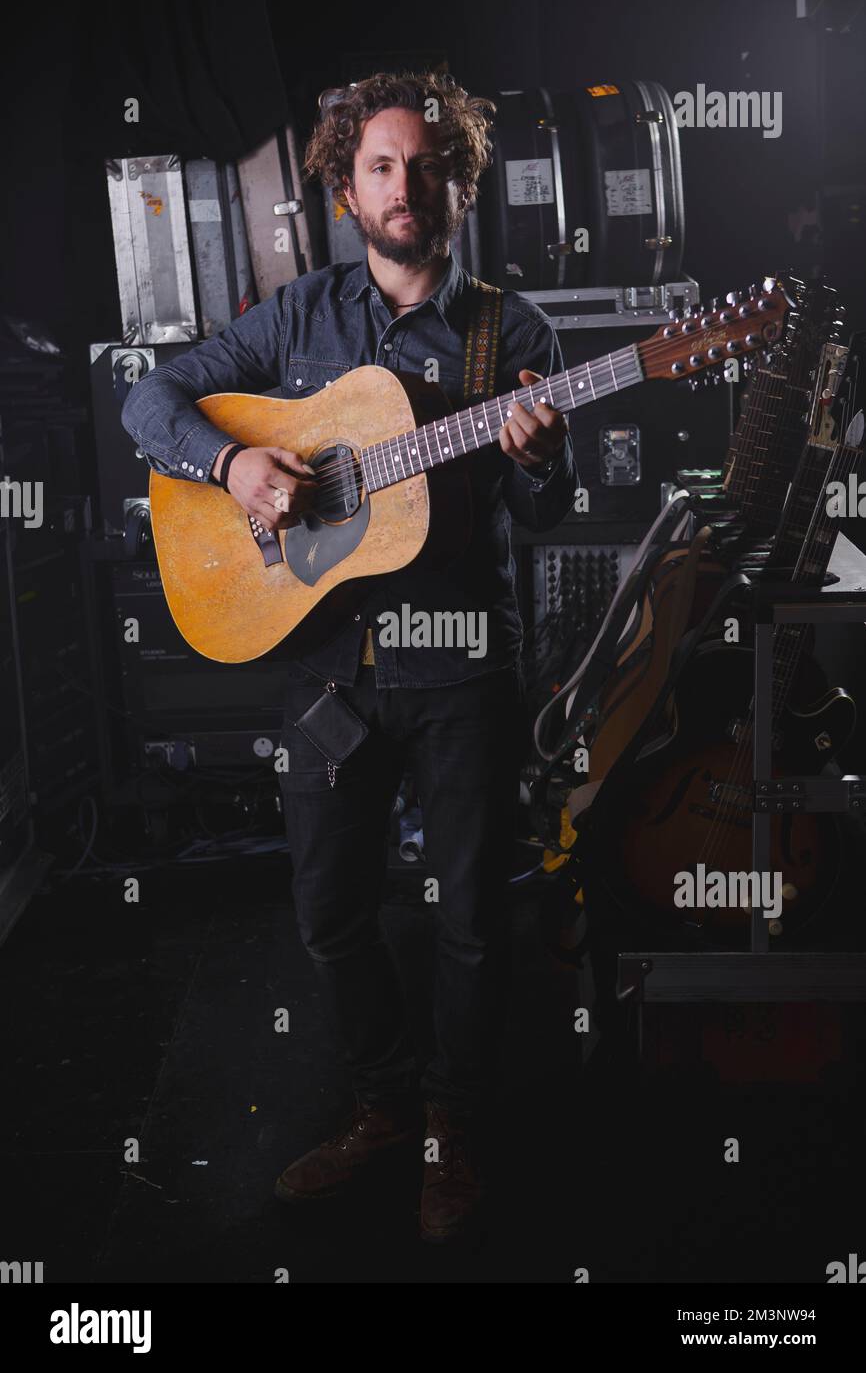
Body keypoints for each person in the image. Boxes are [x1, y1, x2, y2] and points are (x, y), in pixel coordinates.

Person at [122, 70, 580, 1244]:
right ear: (344, 187)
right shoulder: (298, 317)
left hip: (459, 666)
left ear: (460, 180)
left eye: (426, 165)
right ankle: (382, 1105)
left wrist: (538, 461)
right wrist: (235, 467)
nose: (404, 186)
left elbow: (549, 516)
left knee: (475, 918)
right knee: (329, 911)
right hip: (326, 668)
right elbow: (152, 399)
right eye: (379, 166)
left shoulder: (510, 333)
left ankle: (453, 1128)